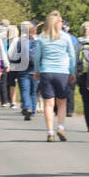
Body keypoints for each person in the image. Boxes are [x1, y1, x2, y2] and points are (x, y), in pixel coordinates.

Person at [33, 11, 75, 142]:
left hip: (46, 71)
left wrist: (37, 70)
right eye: (61, 21)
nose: (62, 23)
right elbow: (72, 55)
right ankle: (61, 126)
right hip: (62, 72)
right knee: (62, 102)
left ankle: (50, 132)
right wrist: (72, 72)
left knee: (48, 104)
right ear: (57, 23)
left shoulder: (42, 37)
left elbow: (37, 56)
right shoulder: (66, 37)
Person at [12, 21, 39, 122]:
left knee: (25, 91)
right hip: (35, 70)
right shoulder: (38, 42)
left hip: (23, 70)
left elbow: (15, 56)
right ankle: (33, 112)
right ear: (34, 31)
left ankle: (27, 107)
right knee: (33, 92)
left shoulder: (20, 42)